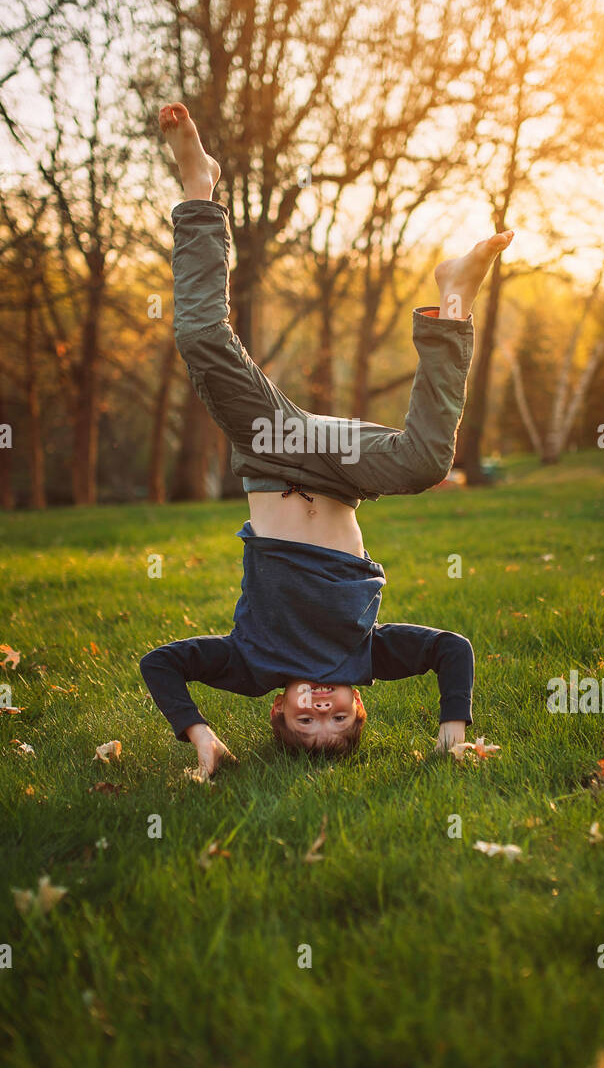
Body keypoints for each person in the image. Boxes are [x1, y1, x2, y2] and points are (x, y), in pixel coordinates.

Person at [139, 103, 514, 780]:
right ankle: (452, 298)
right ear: (359, 708)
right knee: (428, 460)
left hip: (273, 448)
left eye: (303, 719)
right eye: (337, 718)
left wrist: (198, 736)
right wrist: (452, 730)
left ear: (274, 710)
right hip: (342, 469)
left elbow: (160, 663)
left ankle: (198, 190)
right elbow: (451, 649)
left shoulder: (249, 666)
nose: (321, 706)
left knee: (200, 340)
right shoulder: (368, 659)